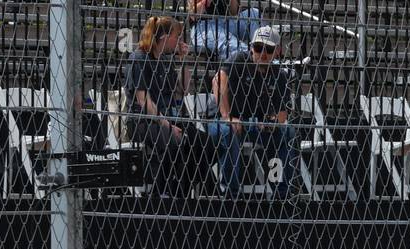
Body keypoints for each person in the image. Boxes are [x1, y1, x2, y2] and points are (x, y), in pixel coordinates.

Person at [125, 16, 213, 197]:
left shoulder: (165, 60)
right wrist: (167, 125)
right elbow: (144, 101)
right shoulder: (139, 58)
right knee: (174, 141)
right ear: (164, 38)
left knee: (207, 144)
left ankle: (179, 191)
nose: (179, 41)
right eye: (177, 36)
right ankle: (159, 192)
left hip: (169, 117)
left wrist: (183, 60)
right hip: (143, 120)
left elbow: (183, 88)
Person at [208, 25, 297, 199]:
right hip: (226, 121)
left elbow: (282, 113)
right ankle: (231, 193)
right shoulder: (239, 59)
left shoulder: (279, 75)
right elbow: (218, 80)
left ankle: (281, 191)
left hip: (256, 125)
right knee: (228, 132)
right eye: (258, 48)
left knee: (286, 132)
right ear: (251, 48)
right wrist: (228, 117)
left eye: (268, 49)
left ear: (277, 51)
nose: (262, 53)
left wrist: (272, 122)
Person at [188, 0, 261, 60]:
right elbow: (193, 15)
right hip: (203, 26)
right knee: (229, 43)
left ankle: (261, 48)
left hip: (226, 22)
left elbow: (233, 12)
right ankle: (253, 57)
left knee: (254, 13)